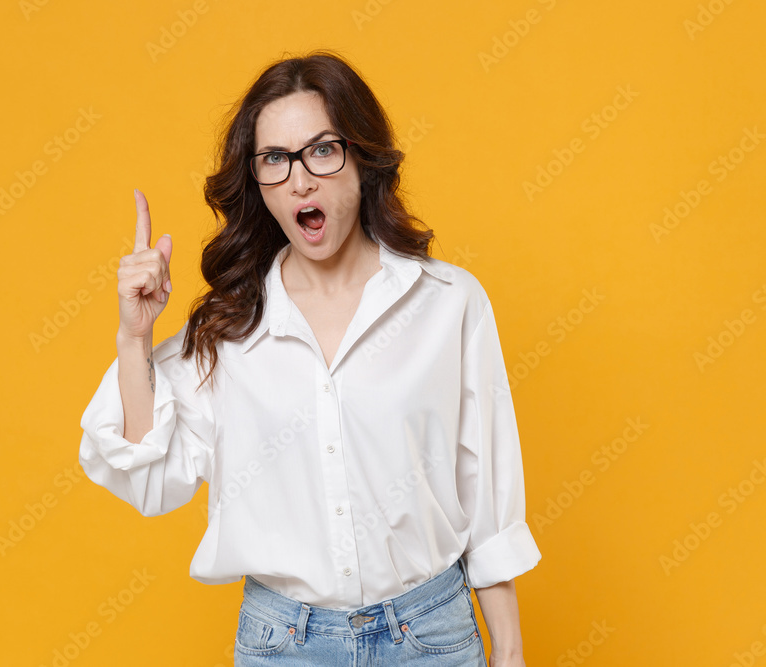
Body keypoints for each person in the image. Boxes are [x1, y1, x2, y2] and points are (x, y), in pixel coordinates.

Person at [78, 50, 542, 666]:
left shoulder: (448, 302)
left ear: (363, 158)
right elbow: (149, 475)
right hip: (286, 646)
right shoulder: (228, 327)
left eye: (321, 150)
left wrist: (508, 653)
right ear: (257, 179)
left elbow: (486, 490)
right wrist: (134, 338)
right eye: (274, 159)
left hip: (430, 637)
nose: (299, 180)